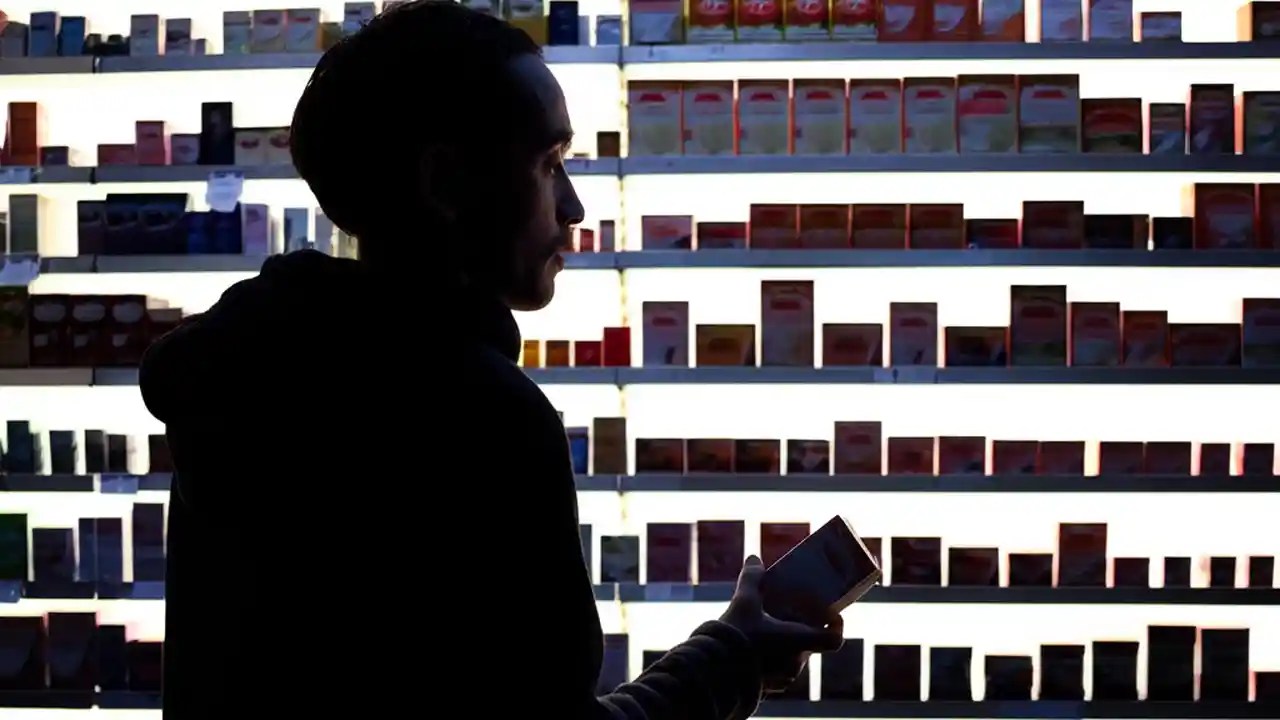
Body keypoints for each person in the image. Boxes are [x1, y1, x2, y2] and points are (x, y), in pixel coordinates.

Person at [139, 2, 843, 718]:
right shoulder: (480, 416)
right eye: (548, 164)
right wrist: (735, 655)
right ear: (445, 182)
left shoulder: (244, 378)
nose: (573, 206)